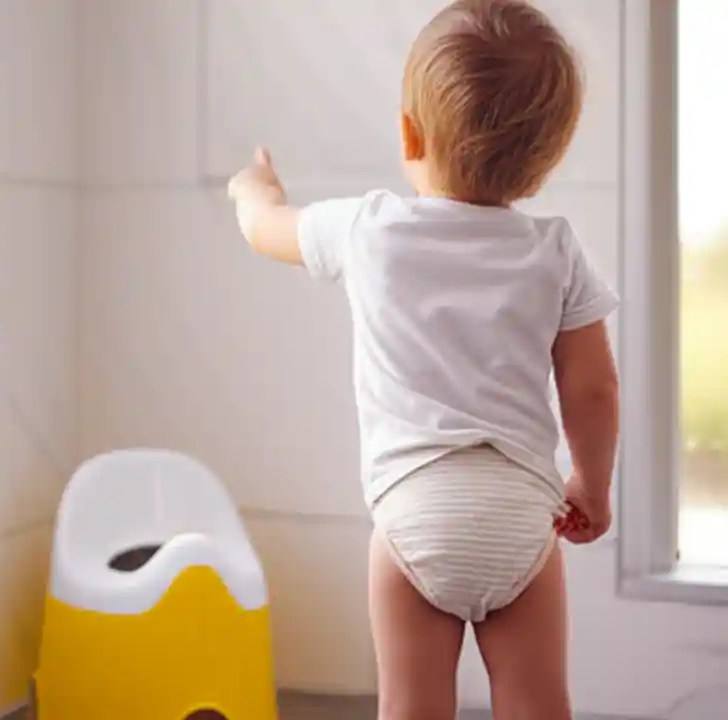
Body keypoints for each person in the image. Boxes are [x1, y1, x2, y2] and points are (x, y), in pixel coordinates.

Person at [225, 1, 620, 717]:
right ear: (547, 157)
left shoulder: (370, 229)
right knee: (538, 703)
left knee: (411, 706)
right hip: (520, 515)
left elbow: (264, 230)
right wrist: (590, 485)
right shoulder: (556, 250)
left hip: (414, 515)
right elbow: (591, 389)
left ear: (410, 131)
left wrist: (253, 189)